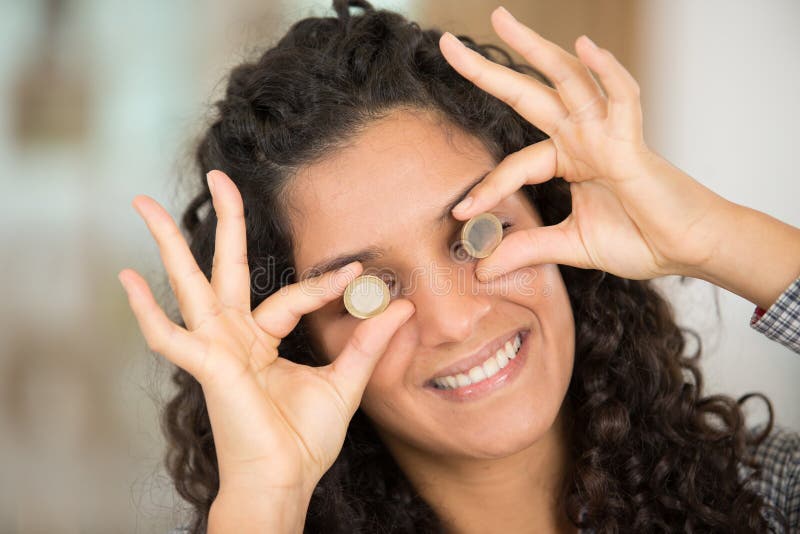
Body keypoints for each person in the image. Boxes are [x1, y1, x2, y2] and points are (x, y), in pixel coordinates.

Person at [117, 1, 800, 532]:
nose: (454, 318)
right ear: (299, 345)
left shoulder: (765, 498)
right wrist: (265, 502)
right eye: (365, 291)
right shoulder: (256, 522)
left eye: (476, 234)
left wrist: (717, 236)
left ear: (550, 215)